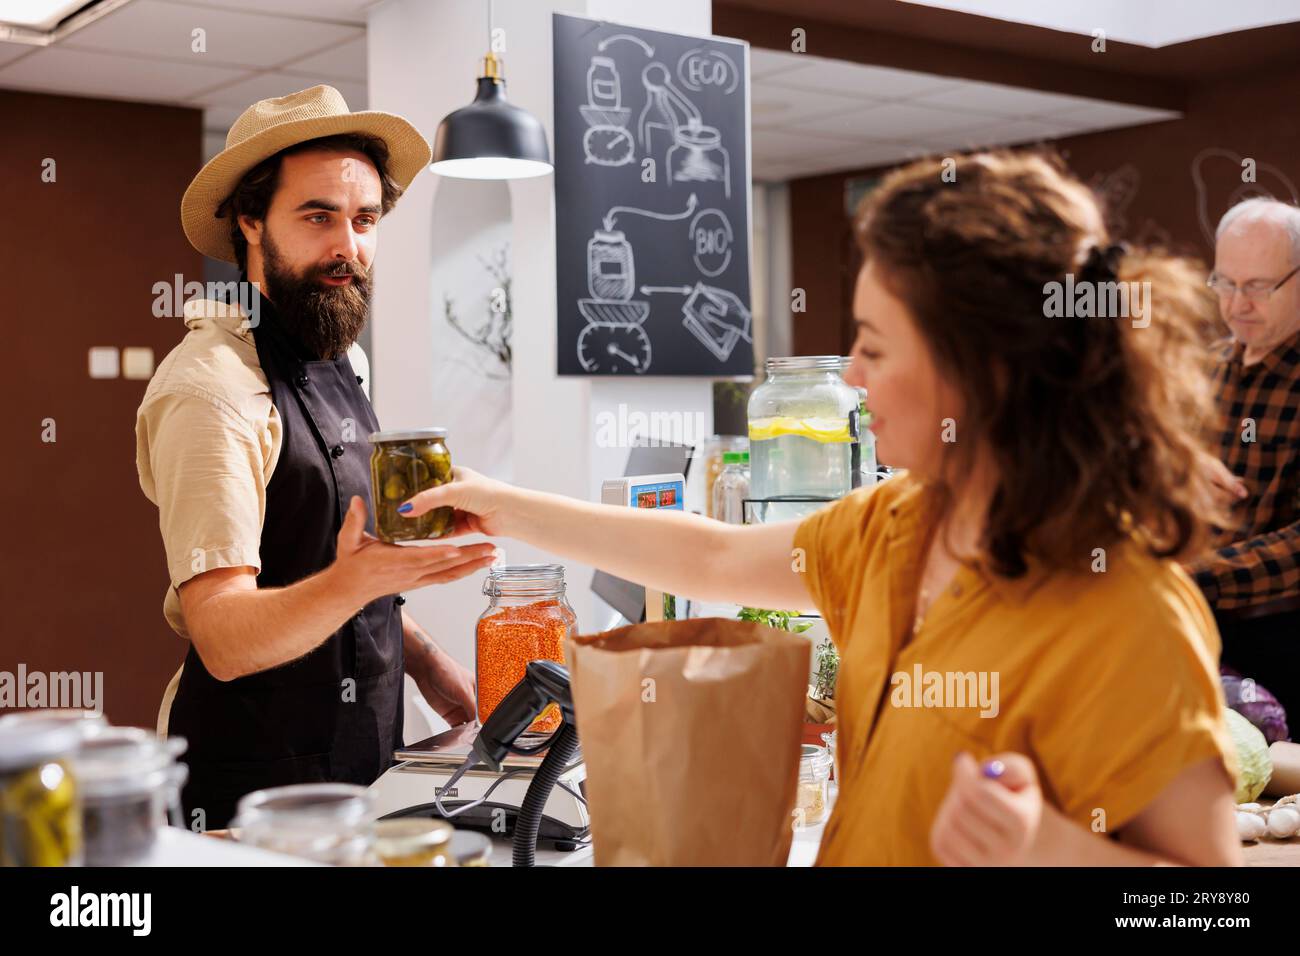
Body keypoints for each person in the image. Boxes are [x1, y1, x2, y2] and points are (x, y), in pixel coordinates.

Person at [401, 151, 1241, 865]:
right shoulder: (895, 527)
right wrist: (501, 507)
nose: (852, 380)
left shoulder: (1129, 615)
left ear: (985, 370)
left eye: (873, 346)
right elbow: (713, 559)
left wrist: (1050, 849)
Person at [135, 86, 495, 829]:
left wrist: (430, 667)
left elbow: (336, 565)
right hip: (250, 794)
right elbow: (224, 636)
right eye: (318, 216)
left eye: (365, 220)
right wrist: (357, 579)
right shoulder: (210, 389)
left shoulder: (346, 364)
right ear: (250, 222)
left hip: (366, 761)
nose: (349, 248)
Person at [1188, 198, 1300, 721]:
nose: (1236, 305)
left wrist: (1193, 577)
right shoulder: (1205, 370)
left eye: (1257, 286)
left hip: (1283, 642)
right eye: (1225, 283)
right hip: (1193, 626)